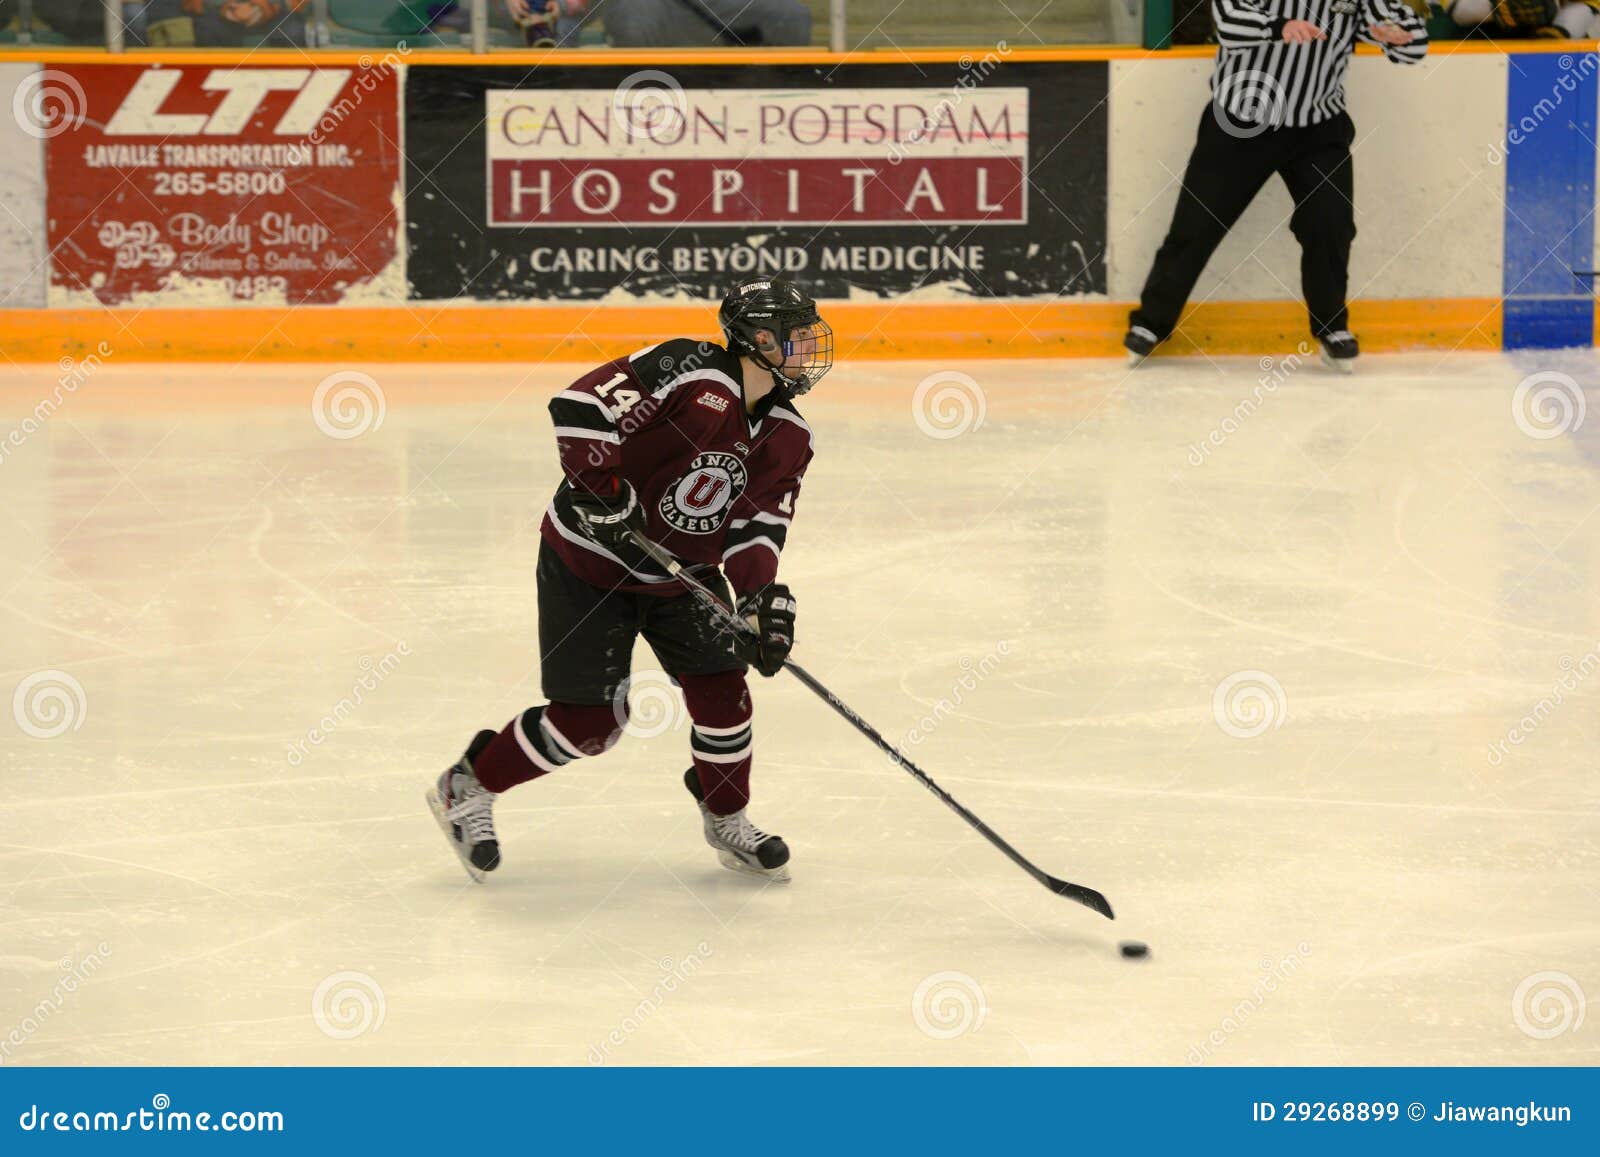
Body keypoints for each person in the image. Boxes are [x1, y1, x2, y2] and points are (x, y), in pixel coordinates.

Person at [427, 279, 832, 883]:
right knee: (590, 725)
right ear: (758, 338)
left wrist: (756, 598)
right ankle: (467, 783)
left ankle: (726, 817)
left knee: (724, 692)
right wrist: (604, 491)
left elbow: (757, 523)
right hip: (590, 564)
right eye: (797, 335)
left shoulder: (790, 436)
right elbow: (580, 407)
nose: (809, 348)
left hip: (682, 577)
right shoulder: (688, 369)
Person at [1124, 0, 1428, 373]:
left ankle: (1332, 328)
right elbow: (1228, 23)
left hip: (1318, 127)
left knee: (1330, 224)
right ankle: (1151, 321)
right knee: (1195, 226)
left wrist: (1396, 34)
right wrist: (1279, 26)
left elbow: (1411, 45)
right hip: (1242, 122)